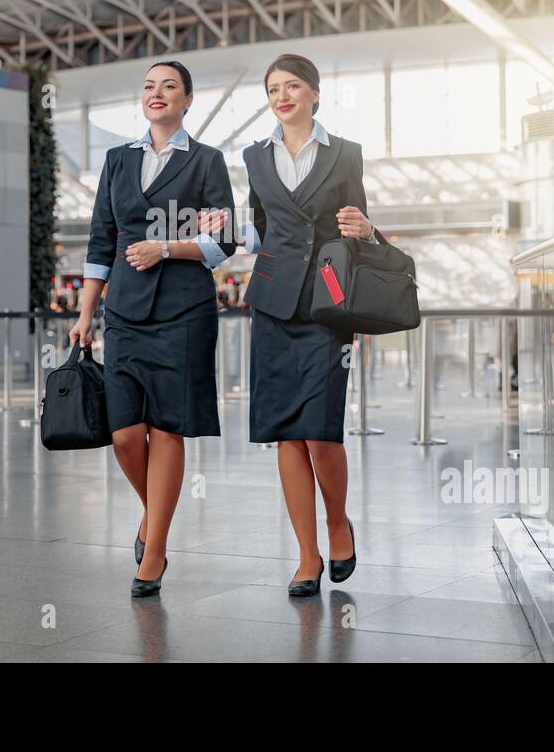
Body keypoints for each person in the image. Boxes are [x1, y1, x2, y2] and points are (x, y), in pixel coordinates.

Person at [69, 60, 236, 597]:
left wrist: (167, 247)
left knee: (166, 428)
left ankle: (155, 548)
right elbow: (101, 240)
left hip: (185, 311)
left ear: (188, 100)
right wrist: (85, 312)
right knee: (123, 434)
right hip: (123, 313)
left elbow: (222, 243)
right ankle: (154, 518)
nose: (156, 93)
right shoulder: (118, 160)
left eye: (169, 86)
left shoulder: (206, 162)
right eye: (148, 86)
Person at [232, 53, 373, 596]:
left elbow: (355, 225)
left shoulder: (345, 155)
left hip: (327, 307)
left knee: (321, 429)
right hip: (272, 304)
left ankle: (338, 523)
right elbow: (263, 224)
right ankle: (307, 554)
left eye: (292, 86)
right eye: (273, 89)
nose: (282, 95)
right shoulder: (254, 156)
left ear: (315, 93)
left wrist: (364, 227)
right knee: (285, 432)